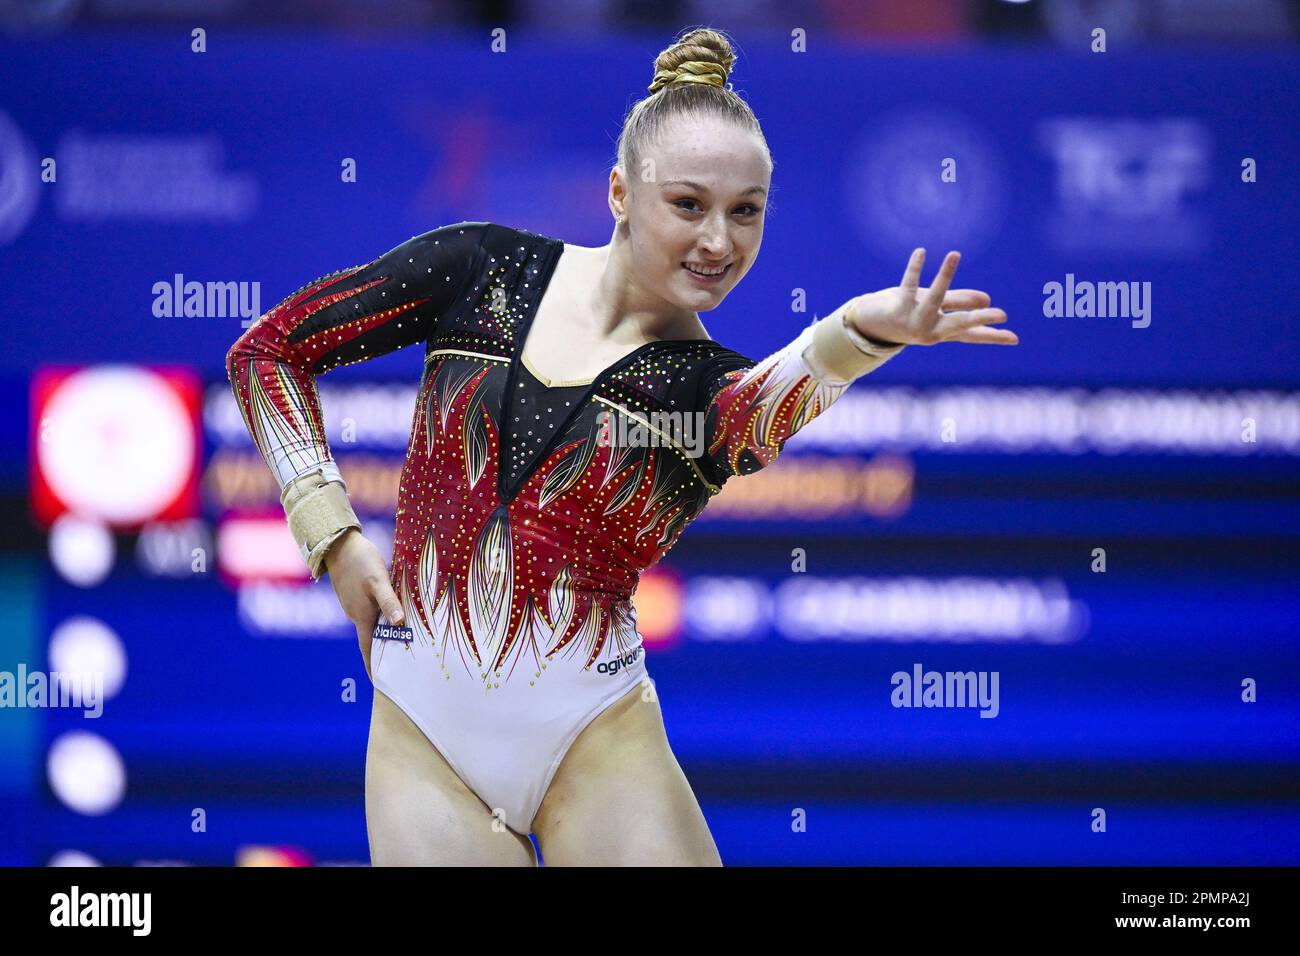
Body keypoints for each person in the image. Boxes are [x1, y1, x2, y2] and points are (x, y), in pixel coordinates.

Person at [224, 27, 1015, 867]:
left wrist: (854, 334)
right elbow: (268, 352)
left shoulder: (702, 388)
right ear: (619, 193)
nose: (720, 241)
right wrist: (334, 536)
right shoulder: (482, 270)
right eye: (689, 205)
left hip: (595, 745)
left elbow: (759, 412)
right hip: (424, 740)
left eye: (746, 211)